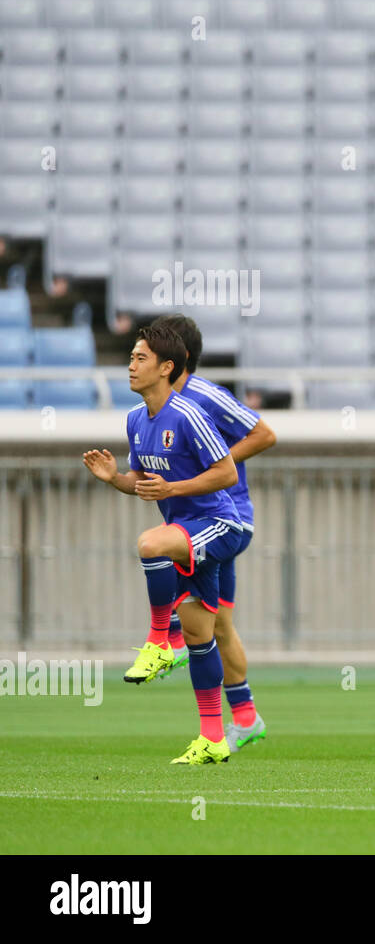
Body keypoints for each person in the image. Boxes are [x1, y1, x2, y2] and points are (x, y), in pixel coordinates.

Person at [82, 325, 242, 764]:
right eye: (131, 358)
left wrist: (175, 489)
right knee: (199, 636)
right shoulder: (136, 419)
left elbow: (227, 473)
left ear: (166, 367)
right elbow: (143, 482)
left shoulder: (187, 414)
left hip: (217, 523)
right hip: (186, 532)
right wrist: (115, 479)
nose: (131, 366)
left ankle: (158, 640)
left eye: (140, 358)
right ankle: (213, 738)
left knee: (150, 543)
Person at [150, 314, 277, 752]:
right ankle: (245, 717)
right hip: (198, 518)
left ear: (176, 359)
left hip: (224, 518)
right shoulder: (161, 408)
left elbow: (264, 433)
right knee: (220, 623)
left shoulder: (204, 396)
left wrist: (216, 462)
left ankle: (165, 639)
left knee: (186, 600)